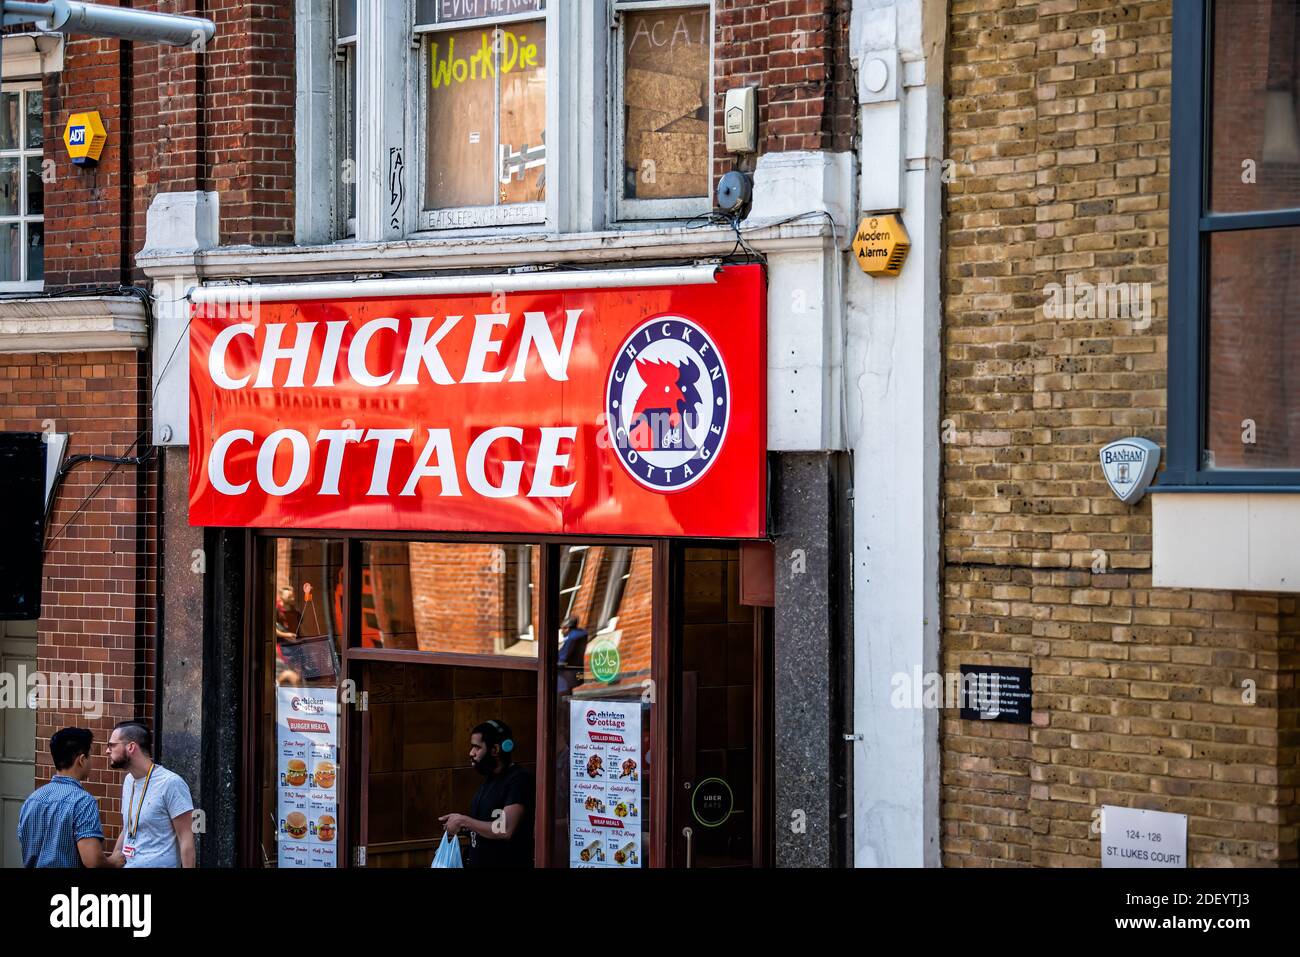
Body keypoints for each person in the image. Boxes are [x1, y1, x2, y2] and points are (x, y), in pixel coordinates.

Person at [438, 719, 534, 868]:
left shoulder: (519, 780)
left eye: (477, 747)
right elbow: (486, 823)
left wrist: (464, 821)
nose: (471, 753)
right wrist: (461, 826)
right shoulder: (491, 779)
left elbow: (505, 829)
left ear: (495, 749)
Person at [17, 727, 112, 868]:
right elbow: (93, 861)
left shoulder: (32, 799)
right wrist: (114, 861)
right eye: (89, 756)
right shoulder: (83, 801)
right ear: (81, 760)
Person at [106, 721, 196, 868]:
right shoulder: (129, 780)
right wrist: (115, 857)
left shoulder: (171, 783)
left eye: (112, 745)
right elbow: (128, 827)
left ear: (131, 747)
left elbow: (186, 839)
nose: (107, 751)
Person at [557, 616, 589, 695]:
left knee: (563, 695)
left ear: (567, 628)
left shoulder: (572, 639)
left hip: (568, 672)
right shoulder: (581, 635)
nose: (561, 632)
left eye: (563, 629)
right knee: (569, 694)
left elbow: (564, 657)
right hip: (578, 669)